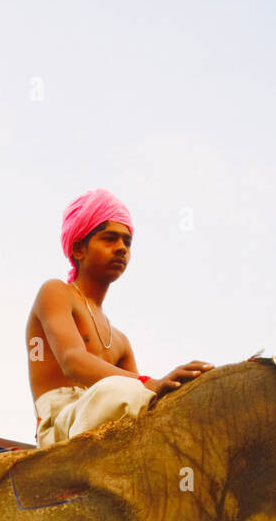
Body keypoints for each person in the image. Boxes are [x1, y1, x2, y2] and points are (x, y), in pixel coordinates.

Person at [27, 188, 214, 448]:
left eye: (127, 242)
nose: (121, 249)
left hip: (107, 422)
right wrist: (151, 383)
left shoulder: (121, 341)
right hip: (60, 427)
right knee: (113, 391)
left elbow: (143, 400)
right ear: (79, 249)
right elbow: (73, 363)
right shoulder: (56, 292)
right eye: (109, 239)